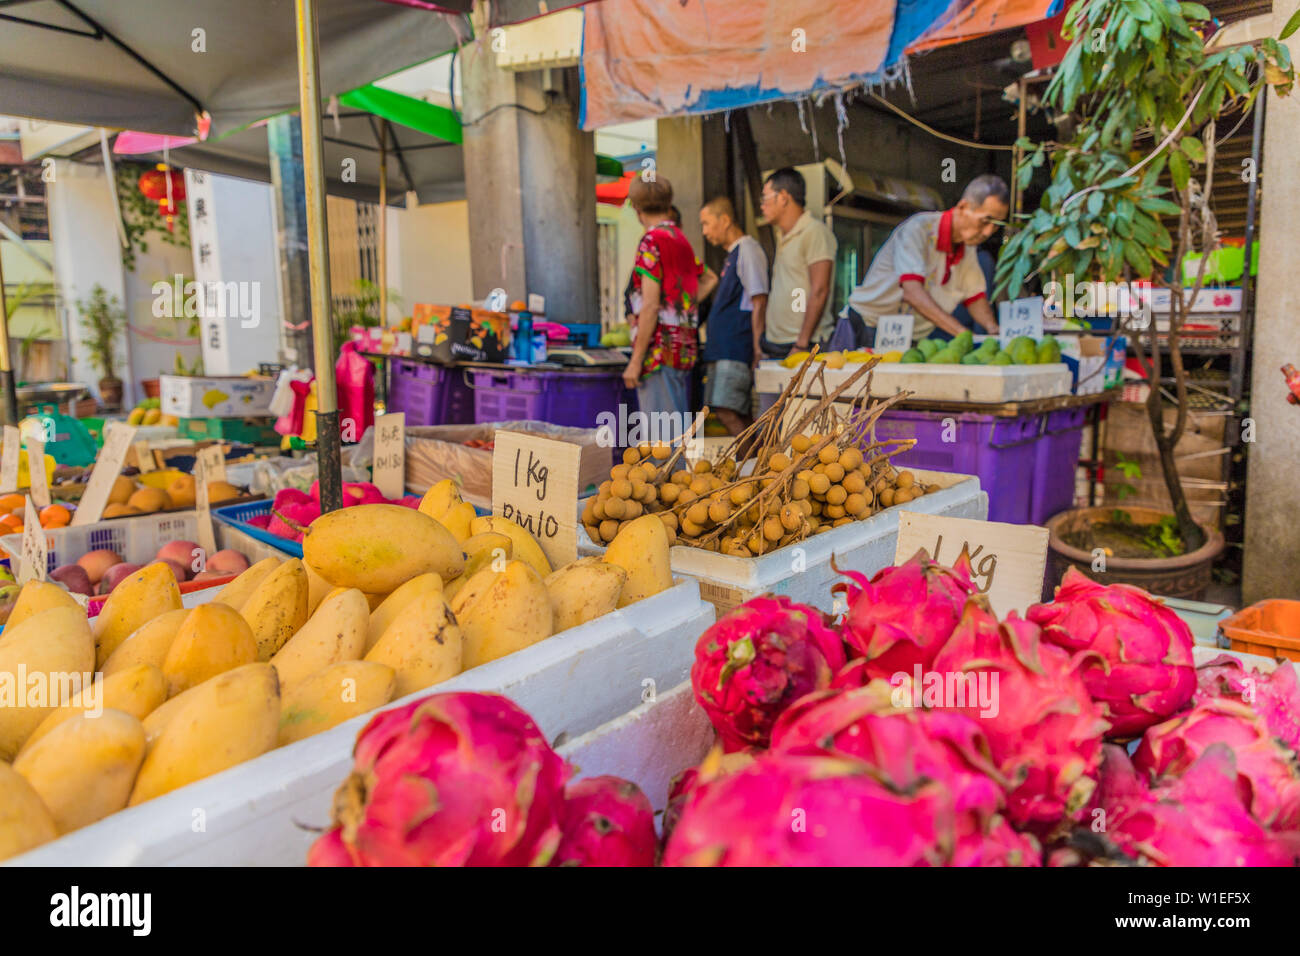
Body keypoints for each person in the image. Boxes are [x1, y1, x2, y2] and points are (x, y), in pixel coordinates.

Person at [839, 174, 1009, 347]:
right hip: (866, 326)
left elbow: (974, 296)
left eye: (996, 225)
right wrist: (963, 334)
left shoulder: (968, 250)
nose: (988, 232)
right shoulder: (918, 229)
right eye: (985, 221)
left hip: (907, 337)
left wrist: (993, 328)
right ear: (963, 206)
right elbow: (912, 292)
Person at [622, 175, 706, 436]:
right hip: (683, 348)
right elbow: (708, 277)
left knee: (661, 442)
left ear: (636, 209)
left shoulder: (652, 241)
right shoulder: (680, 239)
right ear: (669, 205)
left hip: (658, 350)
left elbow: (650, 305)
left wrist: (635, 361)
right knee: (675, 434)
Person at [698, 196, 769, 435]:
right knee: (733, 411)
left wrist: (758, 348)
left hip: (736, 347)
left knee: (727, 409)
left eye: (707, 223)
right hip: (724, 349)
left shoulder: (748, 249)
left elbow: (759, 300)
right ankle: (754, 464)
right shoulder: (733, 254)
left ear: (725, 220)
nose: (705, 231)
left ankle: (755, 463)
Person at [760, 167, 837, 359]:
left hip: (802, 345)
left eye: (765, 198)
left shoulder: (814, 232)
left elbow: (820, 290)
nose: (762, 206)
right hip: (776, 344)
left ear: (783, 197)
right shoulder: (783, 235)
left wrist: (802, 343)